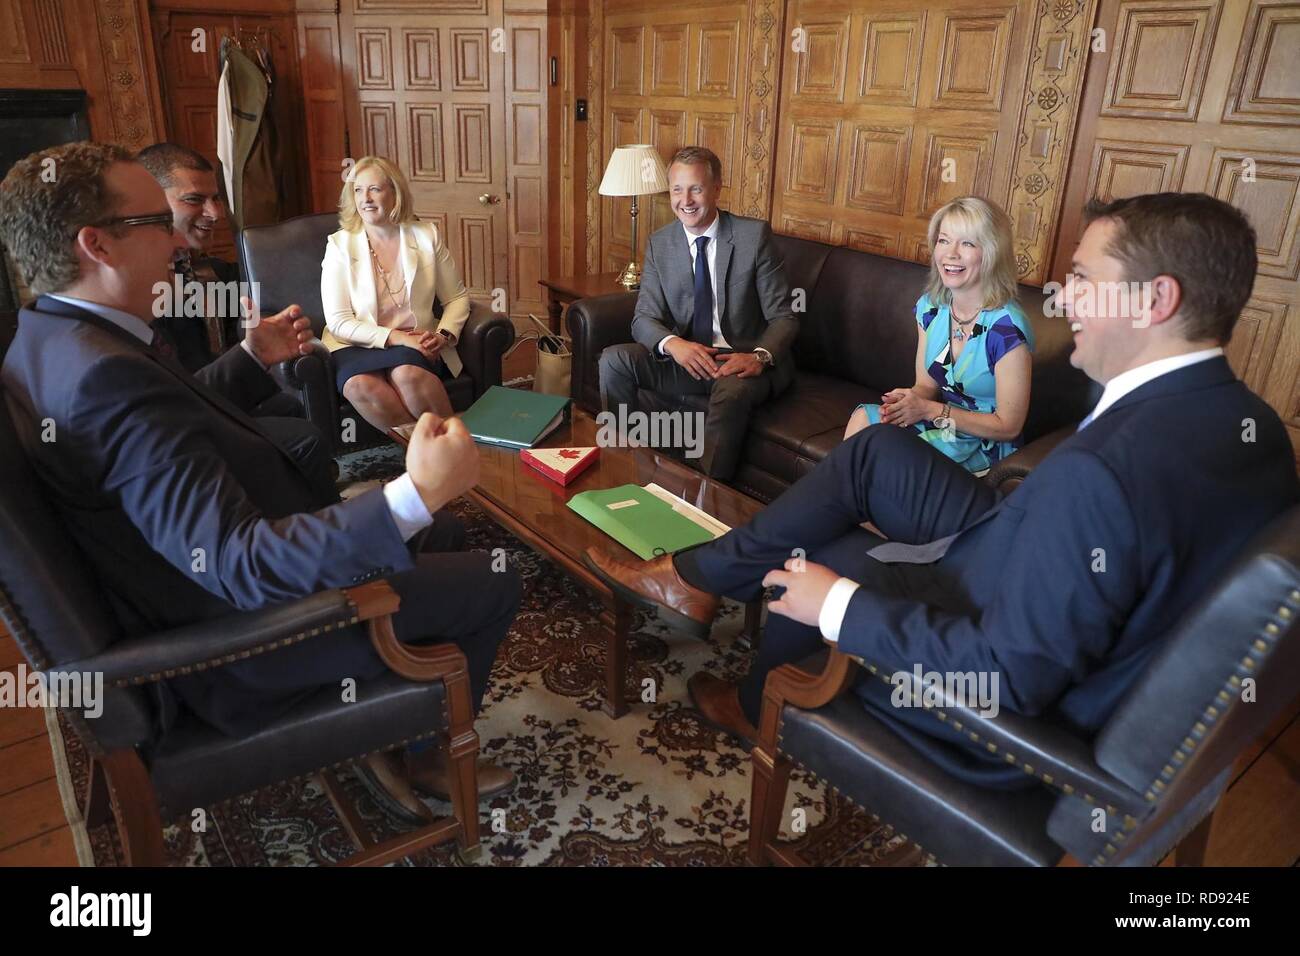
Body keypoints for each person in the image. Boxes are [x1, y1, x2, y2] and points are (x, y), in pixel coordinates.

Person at [585, 192, 1298, 786]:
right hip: (1024, 551)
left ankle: (755, 688)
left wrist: (840, 604)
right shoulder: (1255, 425)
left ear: (1155, 300)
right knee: (873, 455)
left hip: (1010, 717)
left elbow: (1011, 677)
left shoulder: (1103, 473)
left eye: (1082, 277)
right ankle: (701, 578)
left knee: (819, 567)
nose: (1062, 295)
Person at [0, 142, 520, 819]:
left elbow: (163, 425)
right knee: (495, 576)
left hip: (194, 592)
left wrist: (249, 358)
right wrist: (413, 492)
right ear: (95, 244)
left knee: (445, 532)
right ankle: (424, 758)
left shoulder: (49, 340)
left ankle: (399, 708)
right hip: (243, 644)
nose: (179, 244)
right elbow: (240, 565)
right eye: (158, 223)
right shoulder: (102, 376)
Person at [137, 141, 333, 505]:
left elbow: (254, 296)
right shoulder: (138, 288)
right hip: (177, 432)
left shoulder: (198, 270)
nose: (216, 212)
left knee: (292, 406)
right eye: (195, 200)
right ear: (150, 201)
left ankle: (305, 518)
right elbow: (173, 400)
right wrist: (251, 354)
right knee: (304, 438)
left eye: (216, 198)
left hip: (204, 399)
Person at [598, 146, 798, 480]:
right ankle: (624, 466)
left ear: (717, 189)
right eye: (677, 189)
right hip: (688, 359)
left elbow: (784, 316)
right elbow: (643, 317)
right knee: (613, 361)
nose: (685, 200)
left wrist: (760, 356)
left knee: (731, 394)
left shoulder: (753, 237)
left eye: (696, 188)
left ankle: (704, 499)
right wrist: (674, 344)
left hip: (740, 362)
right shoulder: (661, 243)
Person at [845, 197, 1032, 475]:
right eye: (944, 240)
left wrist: (929, 410)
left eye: (967, 243)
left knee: (888, 466)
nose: (951, 254)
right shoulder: (931, 307)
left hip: (985, 442)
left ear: (992, 252)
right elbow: (925, 386)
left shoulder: (1007, 328)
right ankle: (844, 505)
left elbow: (1009, 425)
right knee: (865, 419)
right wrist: (907, 402)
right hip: (942, 424)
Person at [321, 156, 469, 431]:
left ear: (394, 192)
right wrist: (397, 337)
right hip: (354, 343)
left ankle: (453, 449)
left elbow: (457, 298)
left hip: (415, 338)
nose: (365, 198)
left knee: (408, 375)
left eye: (374, 189)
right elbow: (339, 322)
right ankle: (432, 456)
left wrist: (443, 335)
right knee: (359, 385)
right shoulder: (339, 245)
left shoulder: (426, 235)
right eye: (357, 190)